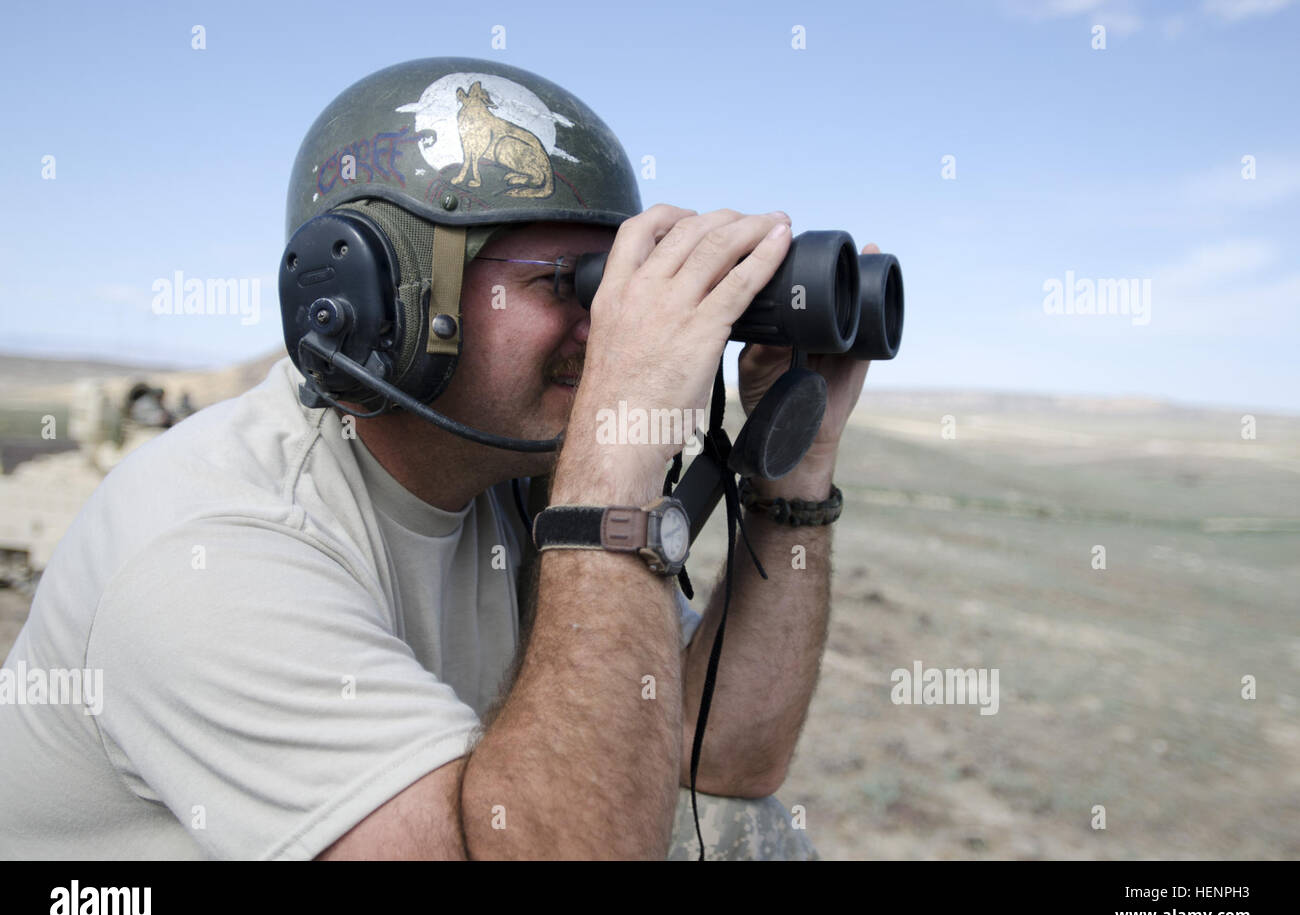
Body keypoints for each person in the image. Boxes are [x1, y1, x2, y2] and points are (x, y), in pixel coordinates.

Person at [0, 58, 875, 860]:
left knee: (737, 834)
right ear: (380, 301)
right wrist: (620, 453)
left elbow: (723, 756)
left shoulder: (525, 488)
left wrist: (791, 478)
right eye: (568, 283)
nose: (607, 326)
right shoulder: (211, 545)